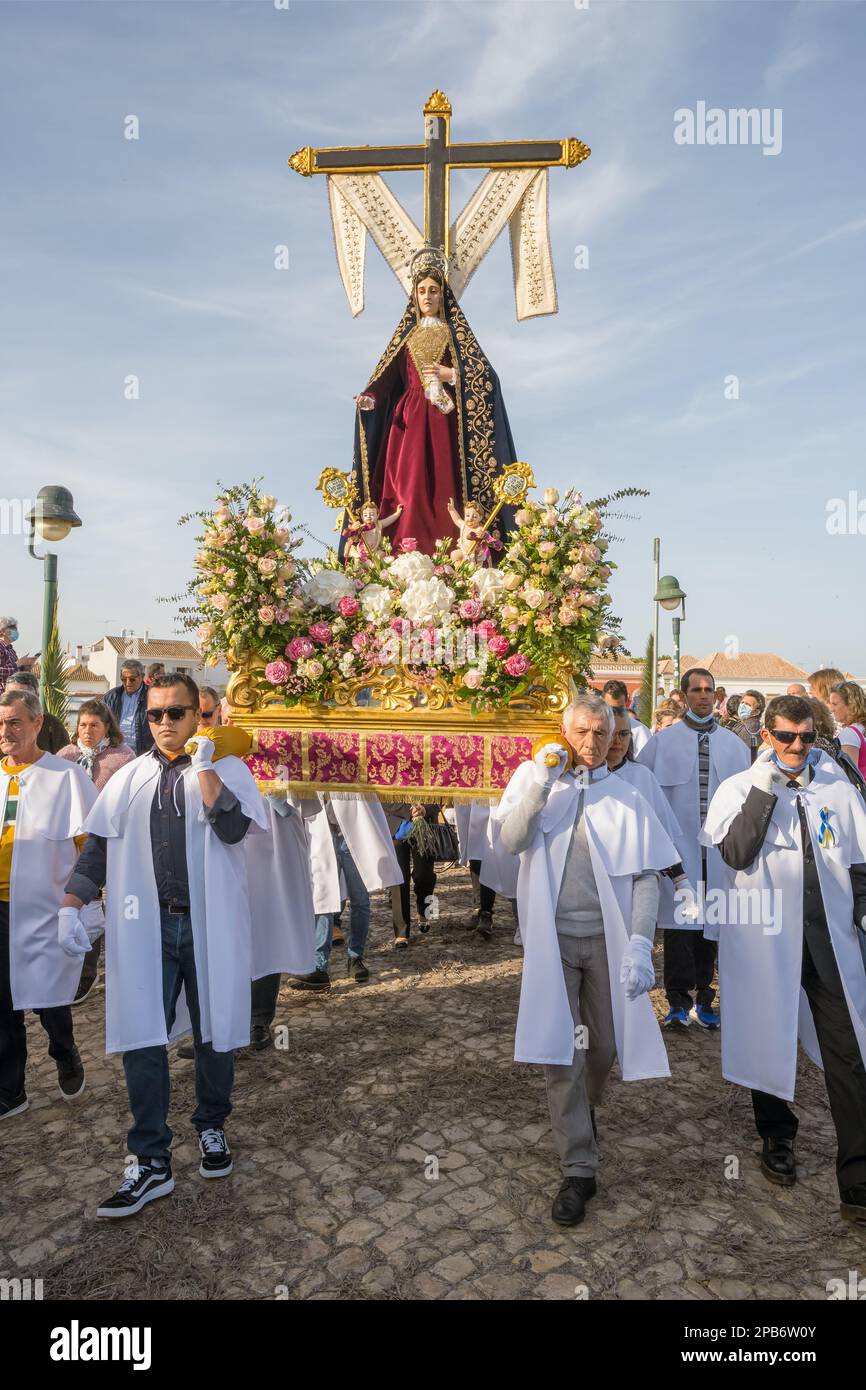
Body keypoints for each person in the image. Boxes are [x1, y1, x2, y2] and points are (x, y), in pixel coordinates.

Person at [61, 672, 268, 1218]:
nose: (165, 724)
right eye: (155, 715)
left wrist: (204, 770)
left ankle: (211, 1125)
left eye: (177, 713)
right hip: (146, 927)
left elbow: (230, 831)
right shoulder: (128, 778)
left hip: (208, 925)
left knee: (214, 1029)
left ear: (198, 716)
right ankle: (150, 1158)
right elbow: (98, 850)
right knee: (142, 1037)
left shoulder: (228, 772)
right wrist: (71, 904)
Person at [496, 693, 677, 1227]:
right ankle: (579, 1167)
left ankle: (584, 1109)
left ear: (615, 734)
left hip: (606, 942)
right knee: (561, 1052)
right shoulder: (534, 780)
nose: (591, 743)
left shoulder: (627, 795)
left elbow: (646, 874)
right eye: (581, 732)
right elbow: (512, 839)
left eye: (602, 733)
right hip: (553, 943)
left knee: (603, 1047)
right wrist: (540, 785)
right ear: (563, 731)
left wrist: (642, 941)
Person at [702, 696, 866, 1225]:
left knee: (850, 1053)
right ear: (766, 737)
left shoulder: (837, 786)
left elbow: (860, 862)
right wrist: (765, 788)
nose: (798, 747)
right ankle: (776, 1135)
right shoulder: (739, 788)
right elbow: (736, 852)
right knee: (768, 1037)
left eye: (807, 737)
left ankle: (857, 1178)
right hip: (766, 939)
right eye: (787, 737)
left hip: (829, 942)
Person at [346, 244, 518, 557]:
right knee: (407, 489)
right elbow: (386, 381)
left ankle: (451, 555)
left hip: (444, 422)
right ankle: (404, 555)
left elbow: (487, 379)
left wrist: (450, 374)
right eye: (422, 291)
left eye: (434, 291)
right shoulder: (406, 338)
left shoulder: (456, 335)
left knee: (444, 486)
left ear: (442, 296)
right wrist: (370, 398)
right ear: (414, 296)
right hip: (408, 424)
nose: (427, 297)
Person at [0, 690, 97, 1120]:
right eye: (1, 724)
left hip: (46, 911)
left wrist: (78, 903)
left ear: (38, 724)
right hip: (0, 909)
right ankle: (11, 1089)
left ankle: (65, 1050)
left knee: (49, 1000)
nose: (6, 732)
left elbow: (91, 846)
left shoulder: (67, 776)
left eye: (15, 722)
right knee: (3, 1003)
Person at [637, 667, 750, 1028]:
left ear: (716, 696)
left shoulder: (734, 745)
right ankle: (677, 1003)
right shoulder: (661, 743)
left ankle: (707, 998)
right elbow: (645, 794)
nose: (703, 696)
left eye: (709, 690)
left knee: (712, 929)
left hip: (719, 854)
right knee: (680, 927)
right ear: (683, 696)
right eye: (696, 690)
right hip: (680, 852)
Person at [57, 700, 135, 1005]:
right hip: (72, 841)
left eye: (94, 725)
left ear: (107, 727)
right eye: (83, 725)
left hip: (109, 840)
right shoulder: (67, 756)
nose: (87, 731)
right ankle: (80, 970)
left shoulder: (122, 758)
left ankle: (108, 970)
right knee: (81, 902)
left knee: (111, 906)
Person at [291, 792, 403, 991]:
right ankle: (319, 966)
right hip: (320, 834)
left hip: (352, 834)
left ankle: (355, 957)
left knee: (359, 899)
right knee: (322, 899)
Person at [387, 803, 438, 947]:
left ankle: (424, 911)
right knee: (399, 879)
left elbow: (443, 788)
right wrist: (409, 811)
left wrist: (425, 809)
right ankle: (401, 931)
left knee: (425, 876)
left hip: (426, 824)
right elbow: (380, 793)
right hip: (395, 824)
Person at [5, 671, 69, 753]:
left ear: (36, 696)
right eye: (9, 695)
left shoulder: (51, 724)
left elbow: (65, 757)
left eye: (20, 696)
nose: (14, 700)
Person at [104, 659, 154, 756]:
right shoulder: (111, 696)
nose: (127, 683)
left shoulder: (152, 695)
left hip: (144, 753)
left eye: (132, 679)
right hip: (115, 752)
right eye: (123, 679)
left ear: (142, 677)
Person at [601, 679, 649, 754]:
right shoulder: (595, 728)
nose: (615, 713)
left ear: (626, 704)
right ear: (602, 703)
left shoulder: (640, 732)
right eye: (610, 709)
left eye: (619, 708)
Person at [829, 681, 866, 777]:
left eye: (835, 704)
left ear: (850, 704)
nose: (831, 709)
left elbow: (850, 776)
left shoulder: (850, 733)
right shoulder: (861, 728)